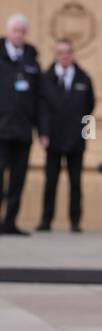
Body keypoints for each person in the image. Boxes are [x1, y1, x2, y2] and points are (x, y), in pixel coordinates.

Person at [36, 39, 94, 233]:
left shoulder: (83, 78)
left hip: (76, 139)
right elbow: (41, 109)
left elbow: (89, 109)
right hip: (53, 138)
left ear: (72, 54)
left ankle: (75, 220)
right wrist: (43, 133)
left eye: (67, 52)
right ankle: (46, 220)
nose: (64, 56)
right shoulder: (46, 78)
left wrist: (88, 137)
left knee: (75, 183)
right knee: (50, 181)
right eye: (60, 53)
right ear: (55, 54)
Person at [0, 12, 40, 235]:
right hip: (1, 130)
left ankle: (10, 222)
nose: (19, 35)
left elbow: (39, 99)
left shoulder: (32, 59)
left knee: (18, 179)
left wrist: (41, 130)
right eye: (16, 31)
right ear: (8, 32)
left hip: (23, 130)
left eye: (23, 32)